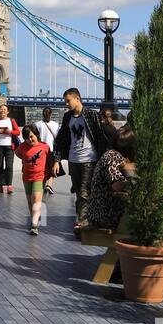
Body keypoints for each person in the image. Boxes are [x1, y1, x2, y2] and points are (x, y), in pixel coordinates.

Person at [52, 87, 114, 234]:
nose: (66, 104)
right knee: (79, 192)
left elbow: (100, 137)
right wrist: (57, 160)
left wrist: (102, 158)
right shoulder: (68, 117)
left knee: (85, 192)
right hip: (74, 160)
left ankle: (82, 223)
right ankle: (84, 220)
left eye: (68, 101)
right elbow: (61, 139)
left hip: (89, 160)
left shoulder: (91, 115)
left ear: (77, 99)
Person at [86, 127, 136, 233]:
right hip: (105, 214)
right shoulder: (112, 156)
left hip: (106, 211)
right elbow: (117, 185)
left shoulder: (115, 155)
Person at [15, 124, 52, 235]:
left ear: (36, 134)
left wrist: (50, 175)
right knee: (30, 202)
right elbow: (17, 153)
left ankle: (34, 225)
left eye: (31, 136)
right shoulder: (22, 147)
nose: (29, 139)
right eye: (26, 138)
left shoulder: (44, 147)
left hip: (39, 177)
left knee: (36, 199)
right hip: (26, 176)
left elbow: (50, 160)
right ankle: (34, 220)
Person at [0, 103, 20, 195]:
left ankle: (9, 185)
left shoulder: (11, 120)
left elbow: (18, 132)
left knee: (9, 166)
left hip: (9, 147)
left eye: (4, 109)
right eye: (1, 109)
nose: (2, 111)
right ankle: (1, 185)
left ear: (7, 112)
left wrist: (9, 131)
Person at [35, 107, 60, 195]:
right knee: (53, 168)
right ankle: (49, 185)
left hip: (40, 150)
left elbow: (35, 137)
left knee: (42, 168)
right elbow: (58, 138)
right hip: (52, 149)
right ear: (51, 114)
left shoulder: (37, 124)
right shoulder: (56, 124)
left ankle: (42, 184)